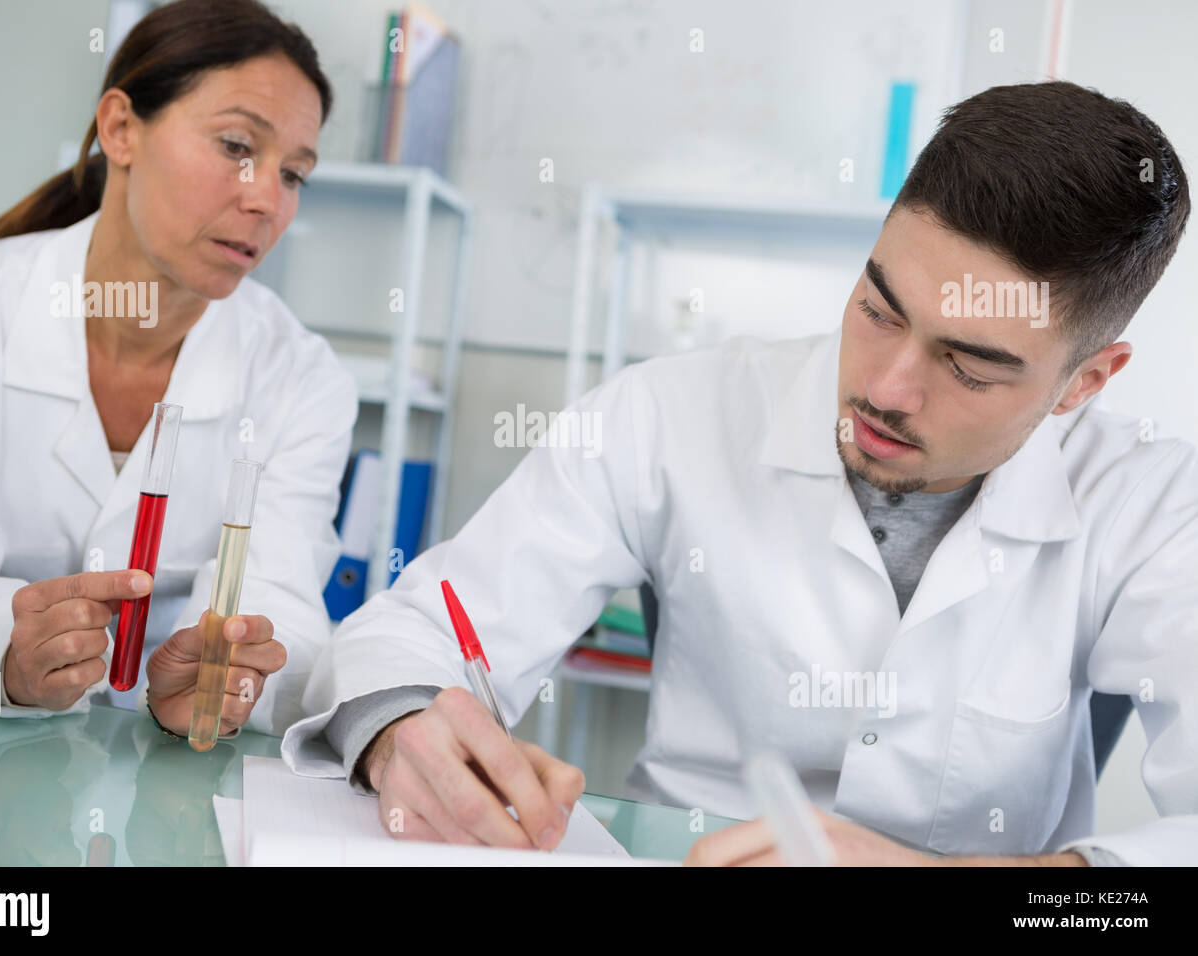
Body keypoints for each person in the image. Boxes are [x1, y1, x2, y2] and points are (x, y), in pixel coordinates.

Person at [283, 81, 1197, 864]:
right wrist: (404, 728)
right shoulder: (669, 414)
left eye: (968, 366)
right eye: (879, 308)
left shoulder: (1152, 507)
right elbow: (416, 631)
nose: (885, 389)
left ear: (1085, 381)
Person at [0, 0, 356, 739]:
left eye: (295, 174)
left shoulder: (303, 380)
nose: (267, 198)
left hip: (170, 788)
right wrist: (3, 650)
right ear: (120, 128)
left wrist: (226, 683)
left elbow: (282, 606)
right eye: (237, 145)